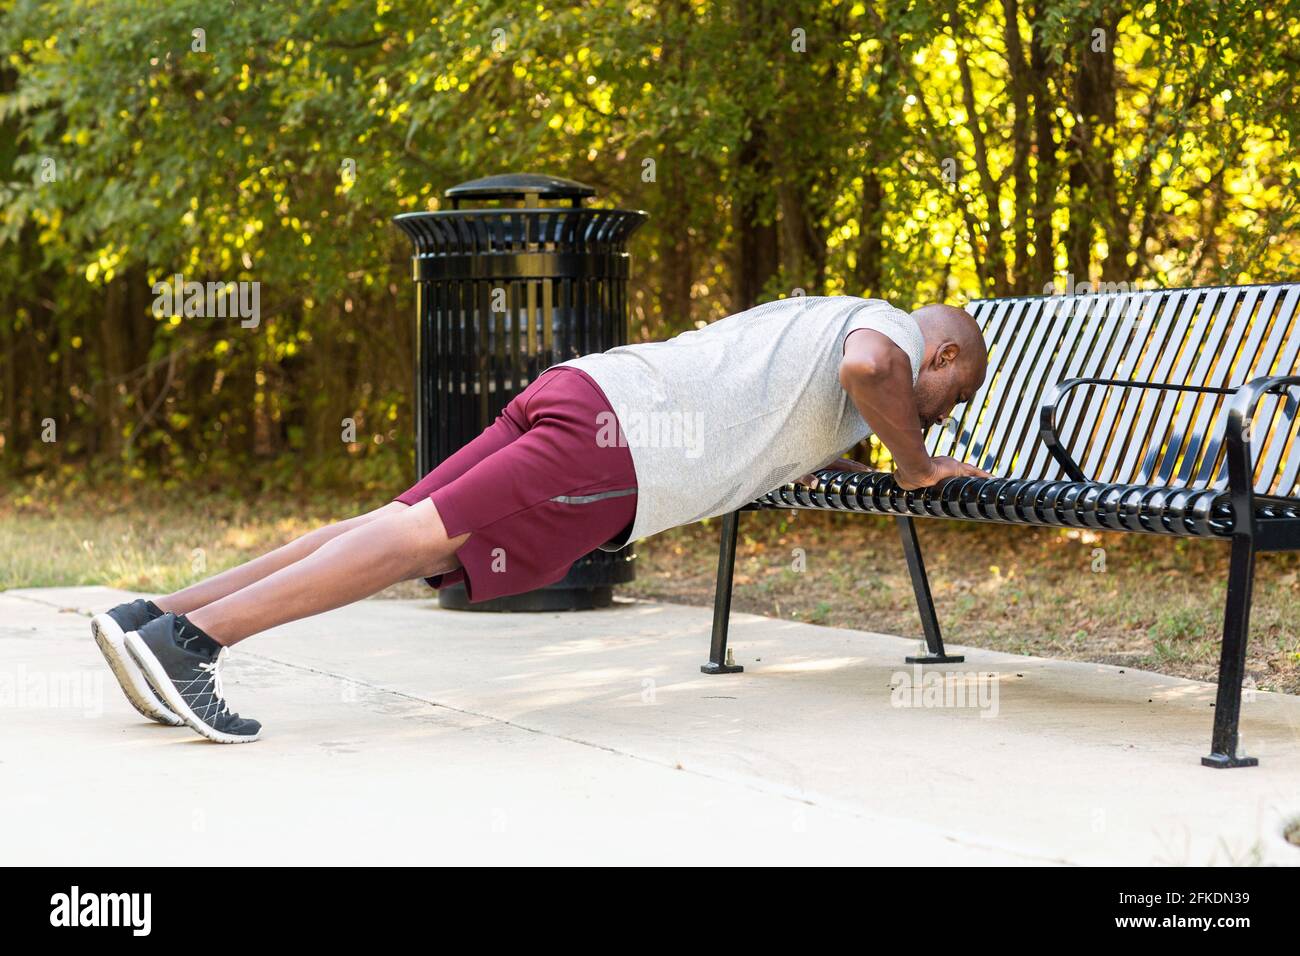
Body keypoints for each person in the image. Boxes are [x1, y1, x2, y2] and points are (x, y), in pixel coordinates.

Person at [91, 295, 991, 743]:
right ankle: (193, 646)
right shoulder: (891, 334)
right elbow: (870, 371)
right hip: (620, 446)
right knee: (417, 541)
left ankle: (155, 618)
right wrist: (917, 466)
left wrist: (843, 451)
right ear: (942, 348)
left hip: (588, 392)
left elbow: (787, 406)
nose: (948, 408)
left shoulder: (822, 316)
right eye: (957, 390)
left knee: (396, 517)